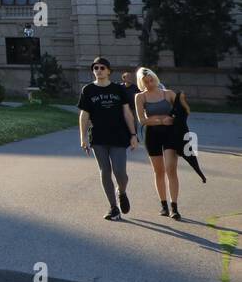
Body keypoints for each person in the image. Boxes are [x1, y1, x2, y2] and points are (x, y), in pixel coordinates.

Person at [78, 57, 139, 221]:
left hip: (118, 135)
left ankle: (122, 191)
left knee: (120, 172)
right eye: (95, 68)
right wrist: (83, 137)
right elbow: (84, 115)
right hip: (98, 136)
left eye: (102, 68)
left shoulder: (119, 90)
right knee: (105, 171)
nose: (99, 70)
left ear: (109, 71)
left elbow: (127, 113)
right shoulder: (88, 90)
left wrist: (133, 135)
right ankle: (113, 207)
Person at [133, 67, 191, 220]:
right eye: (146, 82)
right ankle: (163, 205)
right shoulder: (140, 97)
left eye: (151, 80)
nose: (150, 84)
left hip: (170, 134)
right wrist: (159, 120)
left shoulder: (168, 94)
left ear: (155, 79)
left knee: (171, 169)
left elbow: (183, 113)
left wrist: (174, 118)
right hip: (152, 135)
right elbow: (142, 120)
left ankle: (174, 207)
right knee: (159, 171)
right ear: (141, 82)